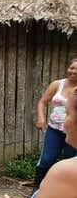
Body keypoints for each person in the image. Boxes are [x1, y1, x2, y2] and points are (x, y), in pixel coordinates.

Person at [33, 57, 77, 189]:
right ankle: (37, 190)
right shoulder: (57, 84)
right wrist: (41, 118)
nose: (73, 71)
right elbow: (42, 102)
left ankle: (67, 193)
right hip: (54, 130)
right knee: (46, 159)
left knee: (71, 162)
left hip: (74, 132)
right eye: (72, 68)